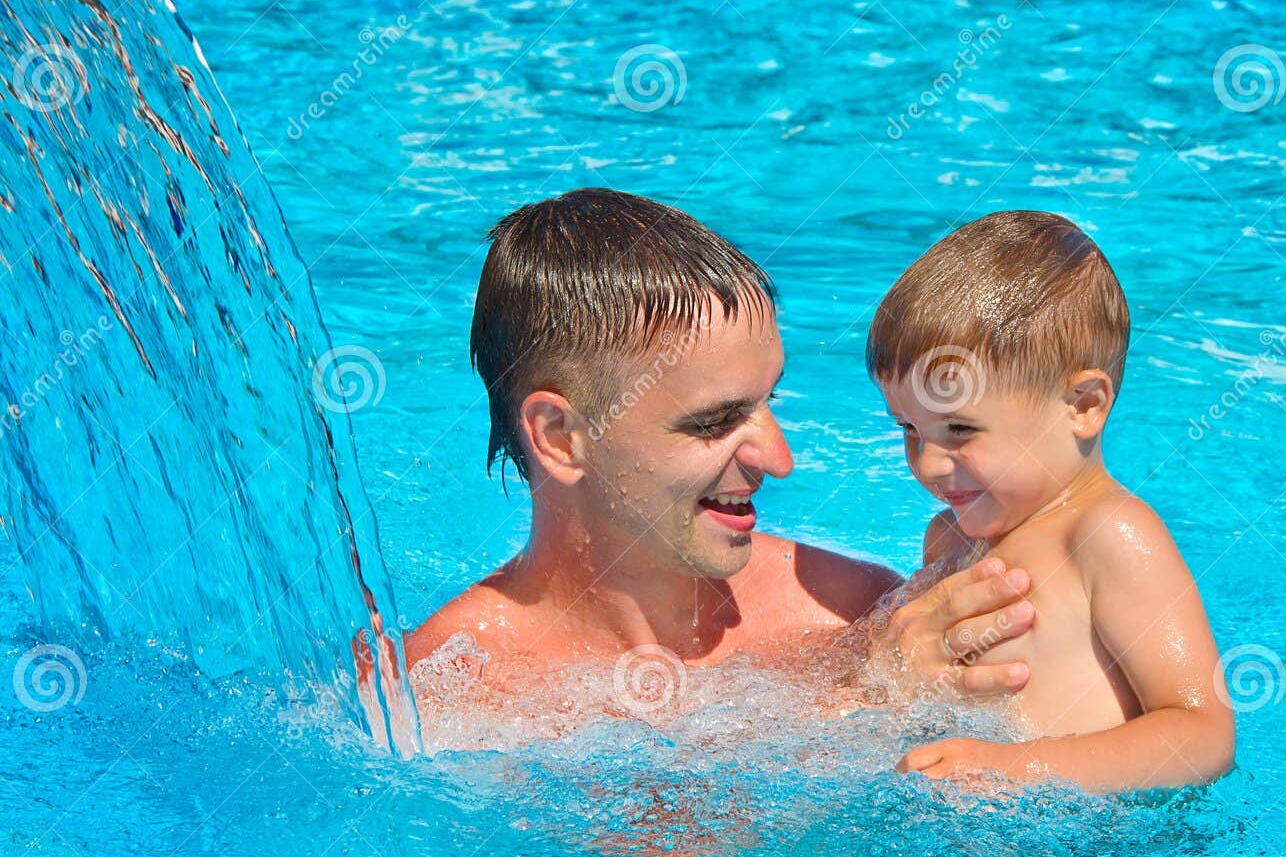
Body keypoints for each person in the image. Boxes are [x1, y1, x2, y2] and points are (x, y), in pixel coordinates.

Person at [405, 188, 1035, 712]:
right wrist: (862, 697)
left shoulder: (858, 614)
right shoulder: (450, 691)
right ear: (560, 437)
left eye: (768, 402)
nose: (779, 459)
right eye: (714, 422)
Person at [868, 210, 1235, 791]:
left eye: (960, 430)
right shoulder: (950, 538)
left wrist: (1014, 767)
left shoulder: (1109, 535)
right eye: (908, 429)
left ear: (1083, 406)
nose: (928, 464)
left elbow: (1203, 733)